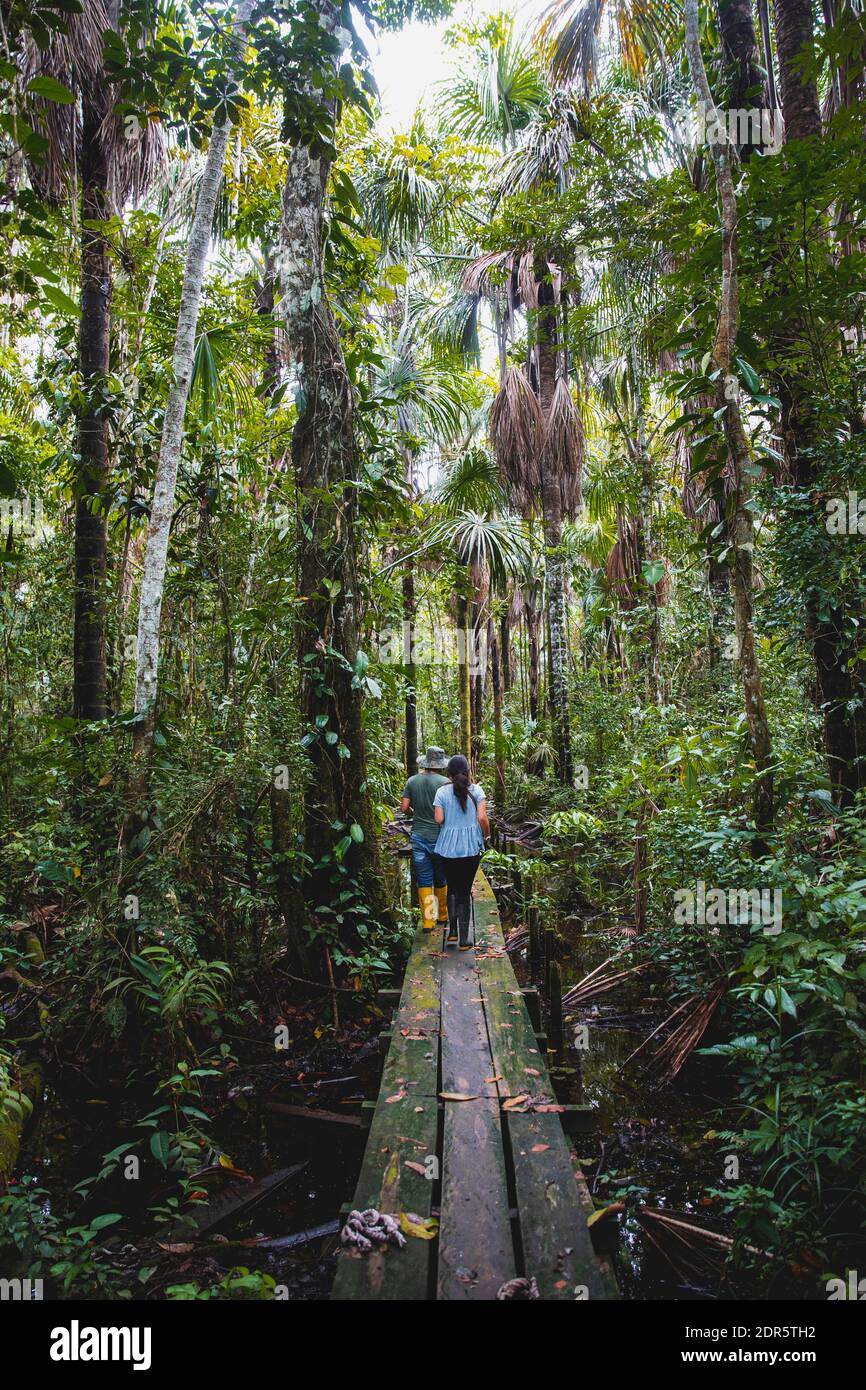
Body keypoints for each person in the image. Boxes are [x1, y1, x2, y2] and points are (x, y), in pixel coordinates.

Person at [433, 754, 489, 950]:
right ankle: (465, 940)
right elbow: (482, 818)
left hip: (447, 848)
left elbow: (439, 820)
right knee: (465, 891)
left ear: (449, 773)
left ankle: (452, 933)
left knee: (452, 888)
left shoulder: (441, 792)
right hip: (471, 848)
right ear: (468, 771)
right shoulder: (477, 790)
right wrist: (487, 836)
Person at [400, 747, 449, 930]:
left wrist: (415, 812)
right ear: (441, 765)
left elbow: (404, 808)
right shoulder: (445, 783)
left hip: (419, 837)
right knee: (441, 876)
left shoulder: (412, 781)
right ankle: (443, 915)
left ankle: (429, 921)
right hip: (440, 838)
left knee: (424, 878)